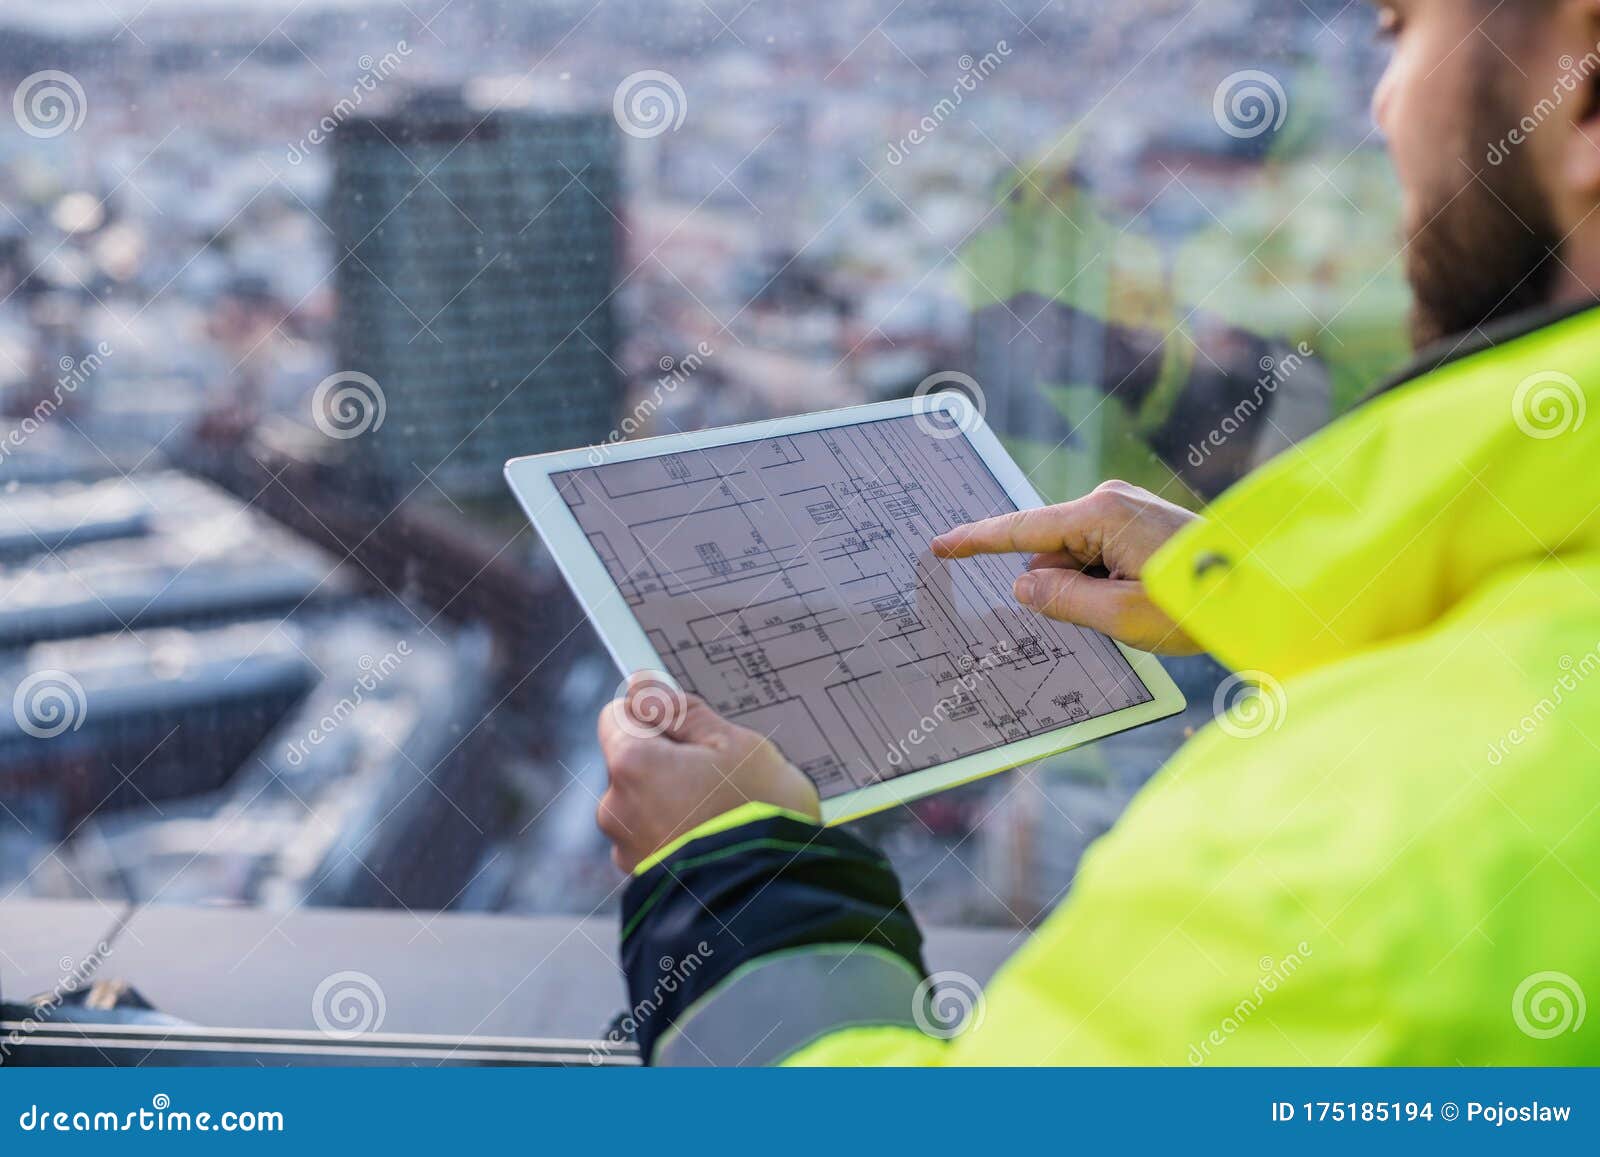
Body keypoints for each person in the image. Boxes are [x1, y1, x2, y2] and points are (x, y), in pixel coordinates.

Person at [596, 0, 1600, 1065]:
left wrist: (735, 878)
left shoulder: (1374, 849)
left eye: (1402, 29)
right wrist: (1263, 587)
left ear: (1582, 92)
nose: (1380, 97)